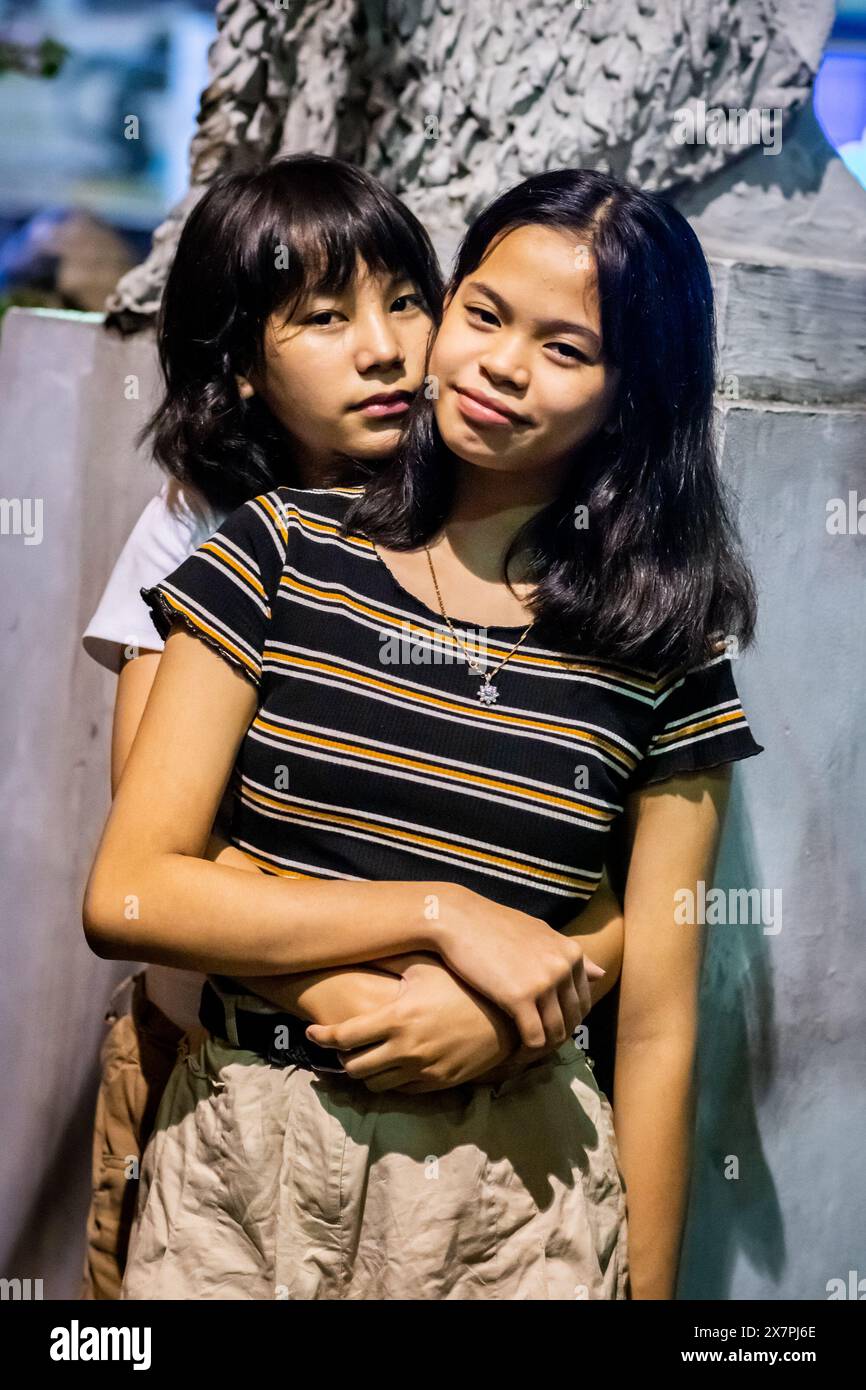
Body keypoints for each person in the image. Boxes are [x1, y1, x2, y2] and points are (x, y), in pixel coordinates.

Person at [83, 167, 764, 1300]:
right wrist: (447, 917)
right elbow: (135, 892)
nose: (496, 364)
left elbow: (654, 1021)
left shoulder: (669, 650)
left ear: (632, 392)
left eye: (566, 348)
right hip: (247, 1173)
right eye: (484, 314)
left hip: (516, 1199)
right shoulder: (273, 547)